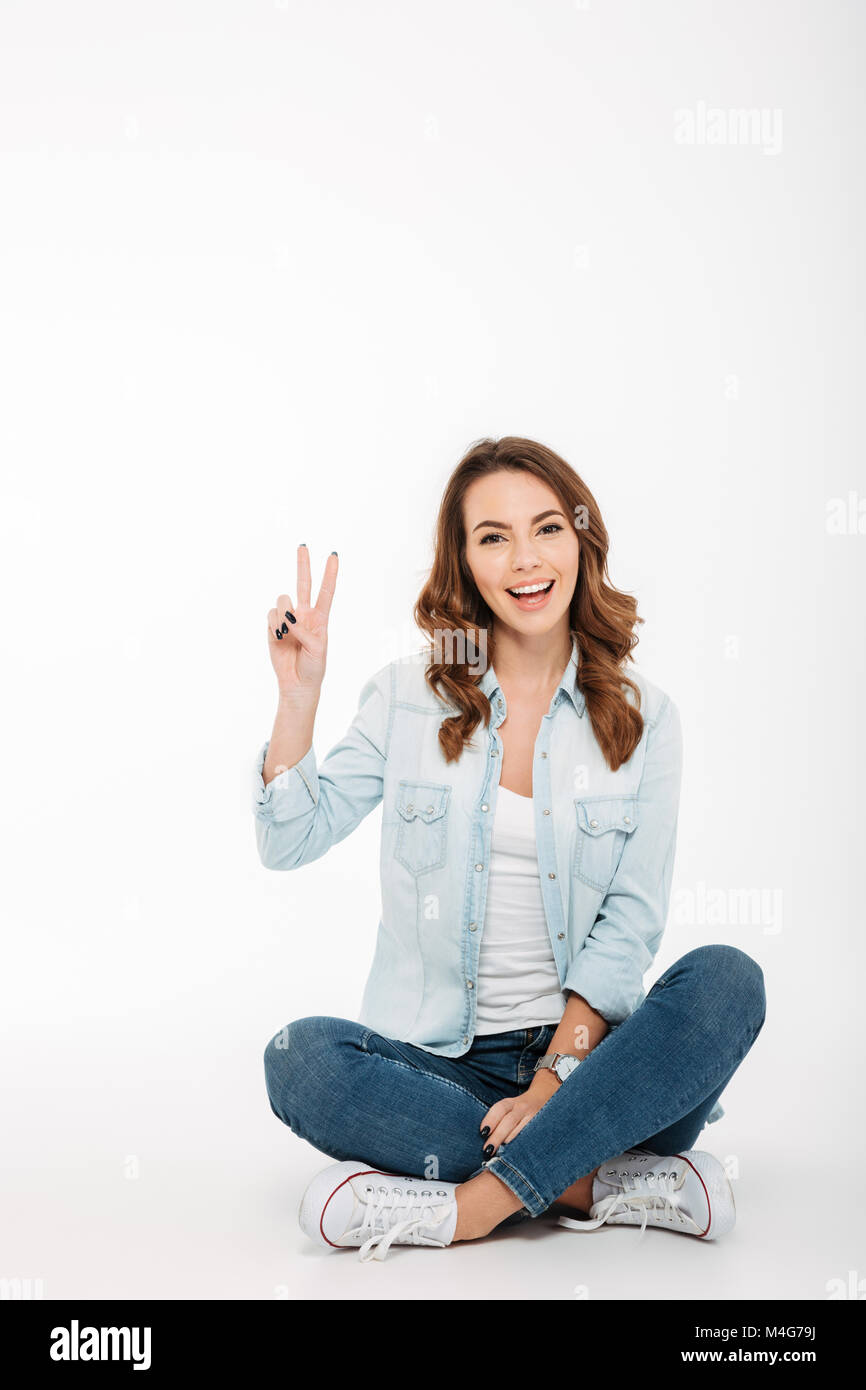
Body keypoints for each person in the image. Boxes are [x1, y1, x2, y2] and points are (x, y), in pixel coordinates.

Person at [254, 436, 766, 1263]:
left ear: (582, 540)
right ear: (464, 561)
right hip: (443, 1072)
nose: (525, 559)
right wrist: (298, 699)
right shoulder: (407, 697)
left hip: (601, 1067)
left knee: (729, 980)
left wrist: (554, 1082)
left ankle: (472, 1206)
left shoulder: (645, 717)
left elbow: (629, 925)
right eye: (492, 537)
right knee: (300, 1060)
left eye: (547, 528)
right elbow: (288, 839)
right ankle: (598, 1183)